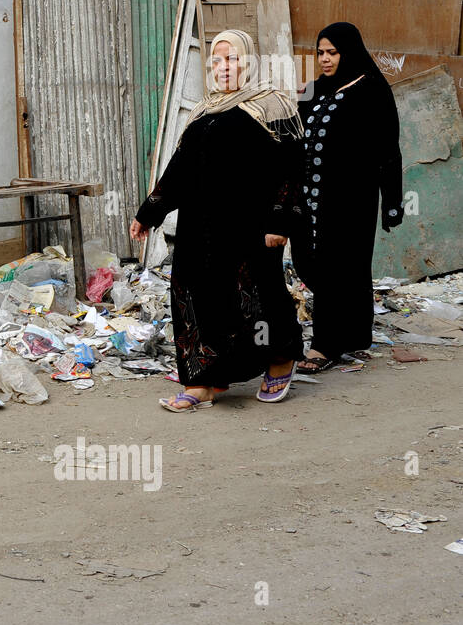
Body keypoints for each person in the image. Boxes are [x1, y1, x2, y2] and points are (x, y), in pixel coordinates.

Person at [130, 29, 304, 410]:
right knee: (197, 296)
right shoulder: (204, 111)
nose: (225, 67)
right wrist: (149, 212)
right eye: (218, 60)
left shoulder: (271, 106)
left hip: (250, 227)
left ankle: (280, 358)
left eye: (233, 59)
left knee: (259, 297)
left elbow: (292, 169)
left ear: (249, 61)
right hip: (201, 227)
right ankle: (205, 381)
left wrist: (281, 222)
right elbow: (179, 172)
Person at [290, 22, 403, 372]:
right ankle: (354, 334)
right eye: (320, 52)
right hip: (312, 196)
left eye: (332, 53)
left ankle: (326, 344)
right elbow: (292, 129)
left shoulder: (372, 91)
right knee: (312, 263)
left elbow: (389, 151)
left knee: (340, 266)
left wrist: (393, 202)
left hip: (351, 199)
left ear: (348, 52)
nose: (325, 59)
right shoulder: (315, 89)